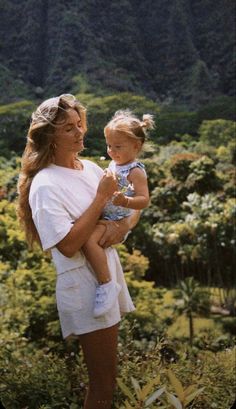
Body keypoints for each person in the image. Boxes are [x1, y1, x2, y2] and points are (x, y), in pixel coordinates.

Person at [17, 94, 139, 409]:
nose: (80, 132)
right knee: (102, 383)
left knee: (108, 380)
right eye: (69, 128)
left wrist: (115, 230)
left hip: (105, 277)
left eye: (79, 124)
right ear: (49, 137)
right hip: (84, 287)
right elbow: (70, 245)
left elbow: (118, 221)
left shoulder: (90, 169)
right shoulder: (45, 184)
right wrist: (100, 202)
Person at [82, 110, 154, 318]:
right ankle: (105, 283)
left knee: (90, 242)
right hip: (107, 214)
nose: (112, 151)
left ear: (136, 146)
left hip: (117, 218)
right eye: (109, 146)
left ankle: (107, 285)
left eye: (118, 147)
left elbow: (144, 199)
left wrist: (126, 201)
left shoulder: (135, 171)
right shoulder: (115, 163)